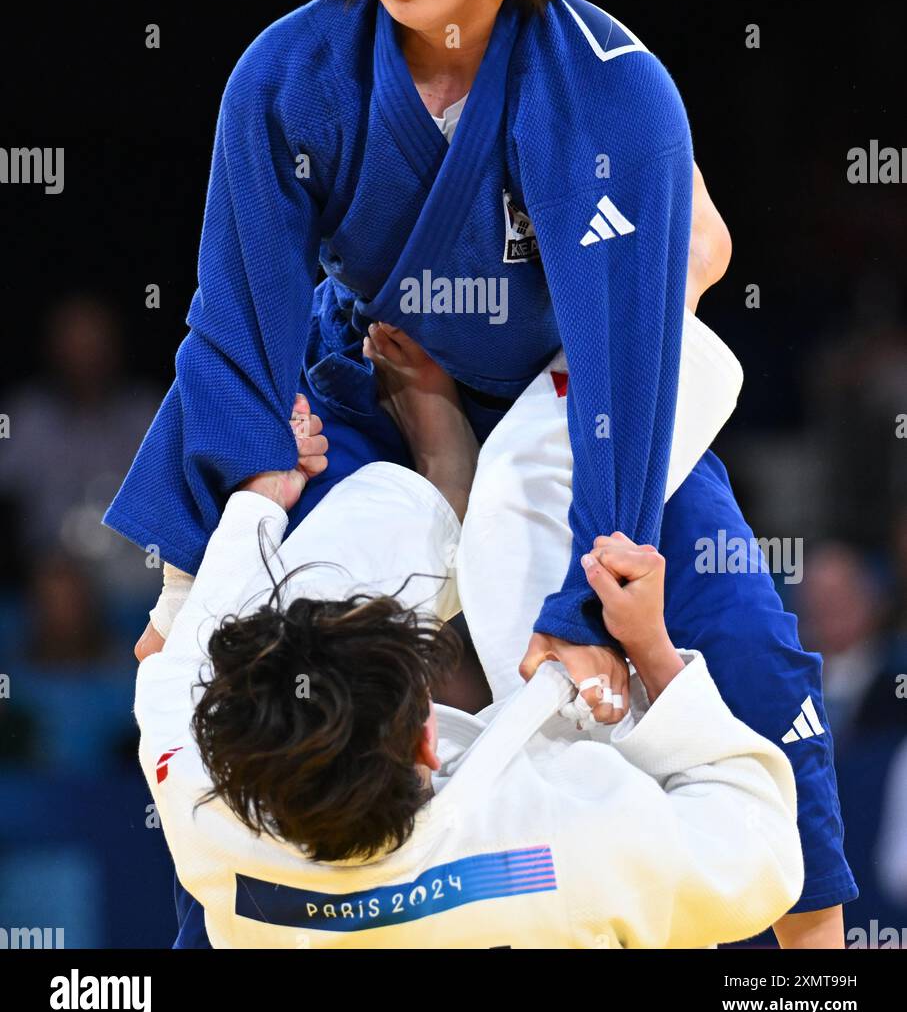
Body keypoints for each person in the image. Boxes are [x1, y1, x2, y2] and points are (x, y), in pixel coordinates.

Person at [111, 0, 855, 942]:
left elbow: (624, 363)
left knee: (749, 656)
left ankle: (814, 962)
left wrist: (584, 594)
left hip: (577, 401)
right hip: (367, 397)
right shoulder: (288, 76)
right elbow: (233, 325)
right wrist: (194, 575)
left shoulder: (611, 90)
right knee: (265, 708)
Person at [135, 350, 803, 949]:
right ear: (428, 739)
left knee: (314, 587)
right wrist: (649, 649)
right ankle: (669, 309)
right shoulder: (576, 840)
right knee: (525, 486)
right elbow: (761, 848)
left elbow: (181, 665)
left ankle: (443, 477)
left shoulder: (210, 811)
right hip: (549, 872)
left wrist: (259, 501)